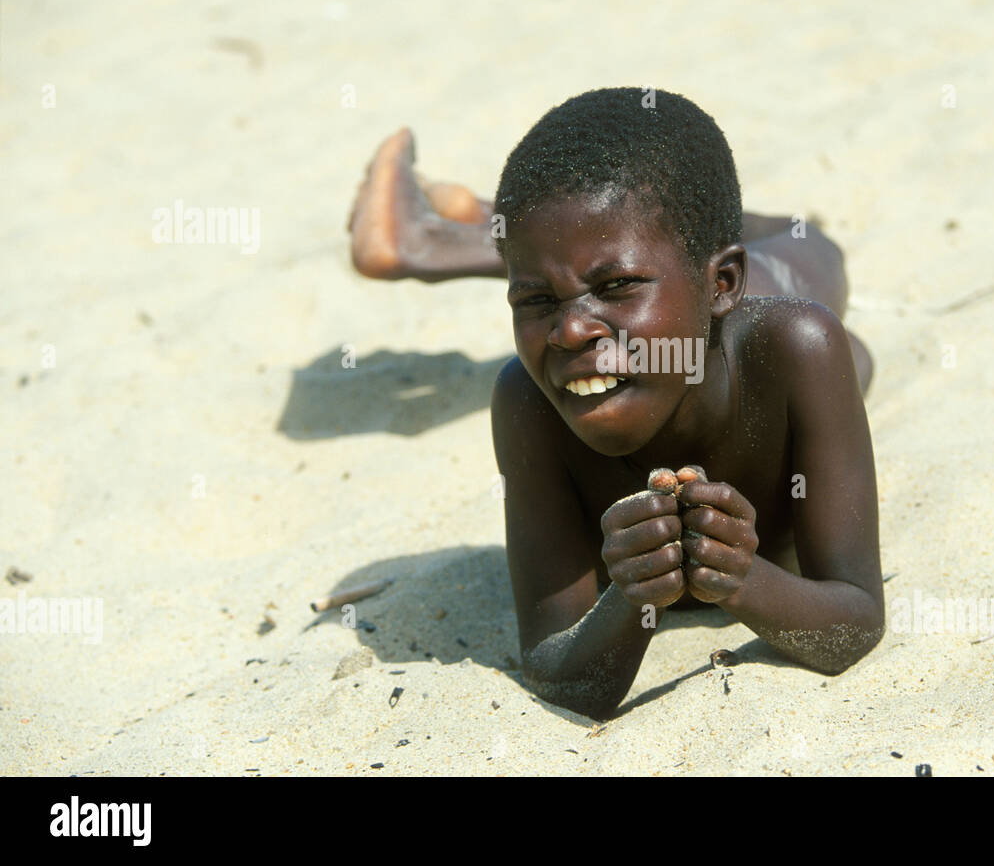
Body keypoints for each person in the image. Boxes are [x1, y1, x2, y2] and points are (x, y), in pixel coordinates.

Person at [348, 88, 883, 718]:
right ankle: (463, 230)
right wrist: (630, 601)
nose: (572, 331)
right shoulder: (526, 405)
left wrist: (741, 579)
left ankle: (435, 236)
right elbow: (558, 670)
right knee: (614, 249)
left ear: (722, 284)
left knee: (816, 259)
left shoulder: (797, 350)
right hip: (677, 323)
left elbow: (855, 622)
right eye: (535, 301)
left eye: (615, 286)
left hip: (744, 320)